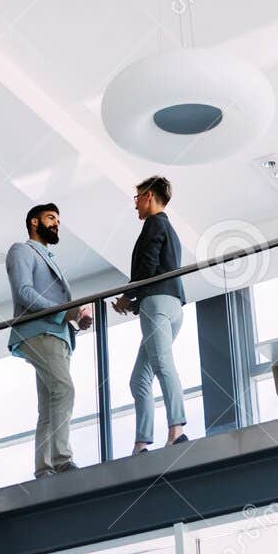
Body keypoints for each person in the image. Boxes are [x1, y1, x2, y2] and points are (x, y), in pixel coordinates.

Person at [6, 203, 92, 478]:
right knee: (64, 390)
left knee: (49, 403)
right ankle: (62, 459)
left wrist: (76, 318)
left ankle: (44, 468)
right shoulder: (22, 250)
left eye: (57, 219)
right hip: (38, 332)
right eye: (50, 218)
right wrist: (65, 312)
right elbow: (24, 292)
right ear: (34, 222)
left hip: (58, 335)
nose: (56, 223)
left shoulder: (50, 257)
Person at [113, 175, 188, 453]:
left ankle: (177, 430)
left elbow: (147, 266)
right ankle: (141, 443)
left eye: (136, 199)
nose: (135, 206)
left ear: (148, 195)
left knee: (162, 366)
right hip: (168, 306)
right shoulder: (169, 229)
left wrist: (128, 294)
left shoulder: (155, 223)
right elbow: (158, 274)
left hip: (157, 306)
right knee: (140, 378)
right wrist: (132, 303)